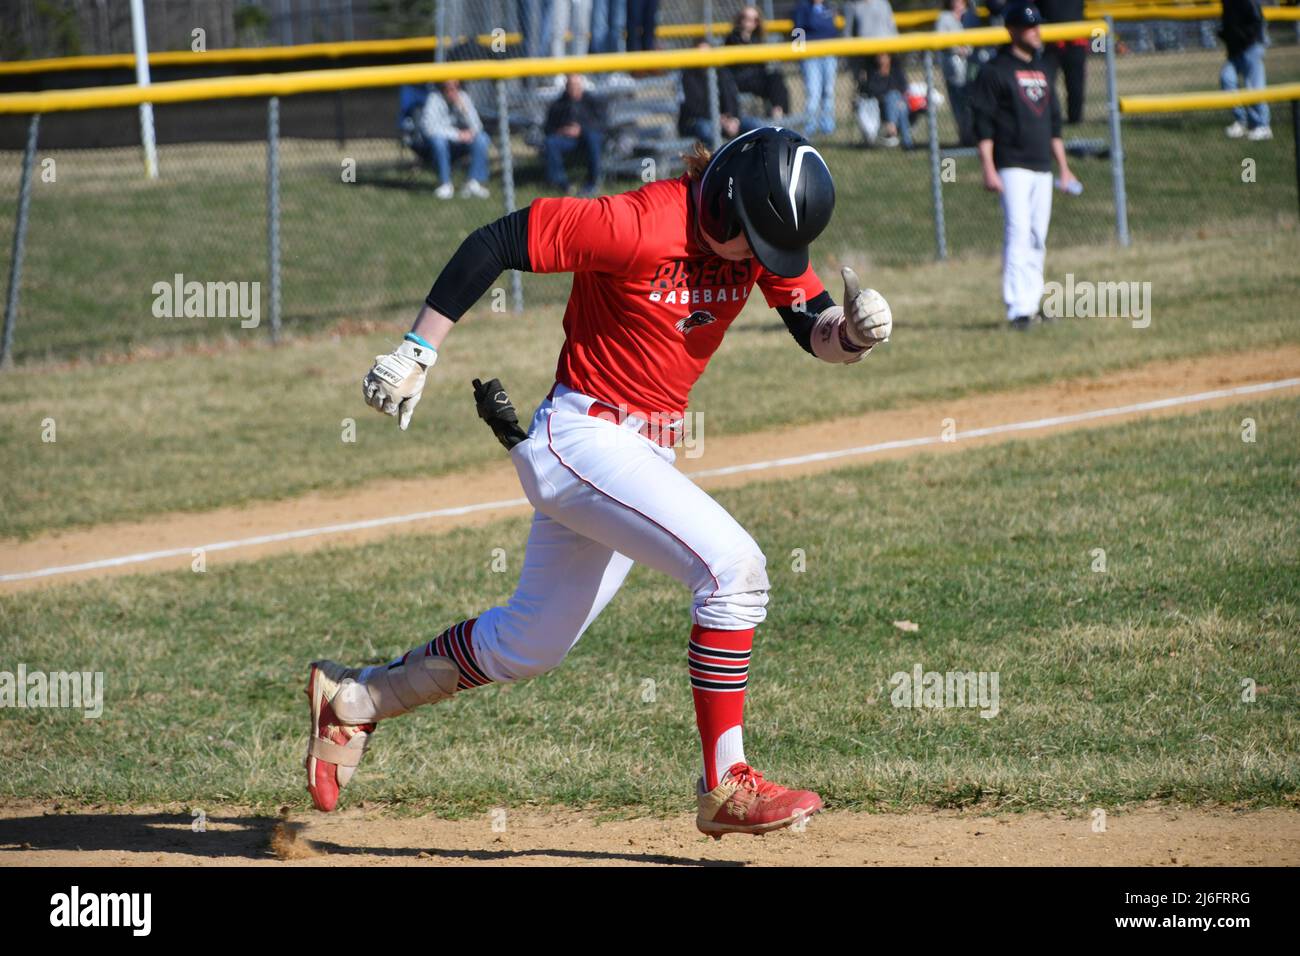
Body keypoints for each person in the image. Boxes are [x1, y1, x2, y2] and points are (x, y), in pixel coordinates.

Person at [308, 127, 893, 839]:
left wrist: (853, 332)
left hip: (637, 457)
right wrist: (417, 348)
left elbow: (814, 330)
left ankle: (354, 700)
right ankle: (724, 783)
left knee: (528, 645)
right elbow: (495, 240)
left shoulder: (753, 233)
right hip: (583, 437)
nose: (768, 263)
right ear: (726, 206)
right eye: (761, 245)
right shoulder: (637, 222)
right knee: (734, 572)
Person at [969, 0, 1078, 330]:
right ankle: (1017, 308)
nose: (1036, 32)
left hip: (1042, 164)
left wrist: (1064, 167)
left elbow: (1054, 125)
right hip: (1012, 163)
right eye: (1029, 27)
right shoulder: (995, 70)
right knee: (1017, 232)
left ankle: (1032, 302)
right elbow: (983, 124)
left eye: (1037, 26)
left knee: (1037, 236)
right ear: (1012, 30)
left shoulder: (1044, 69)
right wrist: (987, 166)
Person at [419, 81, 492, 200]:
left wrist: (464, 110)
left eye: (455, 87)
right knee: (438, 141)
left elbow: (478, 127)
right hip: (444, 143)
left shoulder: (463, 97)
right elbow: (429, 128)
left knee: (482, 138)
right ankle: (445, 184)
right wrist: (457, 135)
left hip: (461, 143)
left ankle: (472, 182)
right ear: (442, 87)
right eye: (448, 88)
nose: (452, 91)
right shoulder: (434, 99)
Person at [680, 41, 762, 143]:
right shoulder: (689, 76)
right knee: (706, 130)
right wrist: (718, 119)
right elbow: (694, 107)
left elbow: (732, 98)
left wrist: (732, 118)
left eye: (707, 53)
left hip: (725, 120)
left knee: (754, 125)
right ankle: (719, 158)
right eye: (700, 54)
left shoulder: (721, 72)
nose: (704, 57)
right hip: (700, 121)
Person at [543, 74, 607, 196]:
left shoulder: (591, 101)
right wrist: (561, 130)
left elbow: (602, 124)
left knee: (592, 137)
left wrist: (581, 129)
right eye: (570, 86)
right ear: (566, 87)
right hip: (568, 140)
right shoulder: (559, 104)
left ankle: (592, 182)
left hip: (588, 139)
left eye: (576, 86)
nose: (573, 89)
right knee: (551, 142)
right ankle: (562, 183)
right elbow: (548, 127)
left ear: (581, 86)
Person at [725, 5, 791, 119]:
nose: (751, 23)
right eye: (747, 18)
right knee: (771, 79)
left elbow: (762, 65)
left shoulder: (757, 39)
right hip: (740, 79)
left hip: (756, 78)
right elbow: (738, 64)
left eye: (755, 20)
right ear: (740, 19)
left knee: (776, 76)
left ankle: (779, 113)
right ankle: (778, 116)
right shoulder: (732, 38)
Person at [1219, 0, 1271, 140]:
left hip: (1251, 46)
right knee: (1226, 78)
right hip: (1236, 49)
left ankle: (1262, 126)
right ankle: (1242, 121)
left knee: (1253, 86)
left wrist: (1246, 37)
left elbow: (1256, 19)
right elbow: (1230, 22)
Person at [1037, 0, 1088, 125]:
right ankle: (1044, 116)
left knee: (1075, 84)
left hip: (1075, 40)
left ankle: (1075, 119)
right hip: (1051, 41)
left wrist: (1099, 47)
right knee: (1044, 81)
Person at [793, 0, 840, 136]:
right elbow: (798, 30)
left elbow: (832, 30)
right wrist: (799, 53)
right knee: (813, 92)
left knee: (828, 91)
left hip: (829, 55)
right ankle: (810, 126)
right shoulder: (803, 7)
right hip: (810, 57)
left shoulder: (828, 7)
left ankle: (828, 126)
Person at [935, 0, 975, 146]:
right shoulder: (944, 17)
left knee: (973, 104)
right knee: (959, 105)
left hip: (972, 67)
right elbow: (940, 39)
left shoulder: (971, 16)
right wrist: (958, 48)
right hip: (953, 68)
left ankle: (975, 136)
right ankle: (965, 137)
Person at [855, 53, 914, 148]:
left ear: (889, 57)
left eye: (883, 56)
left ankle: (892, 126)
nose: (880, 58)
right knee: (894, 98)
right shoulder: (873, 71)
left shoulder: (896, 70)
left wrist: (890, 91)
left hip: (898, 103)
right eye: (878, 56)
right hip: (880, 104)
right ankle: (907, 142)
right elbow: (872, 89)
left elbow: (903, 87)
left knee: (897, 100)